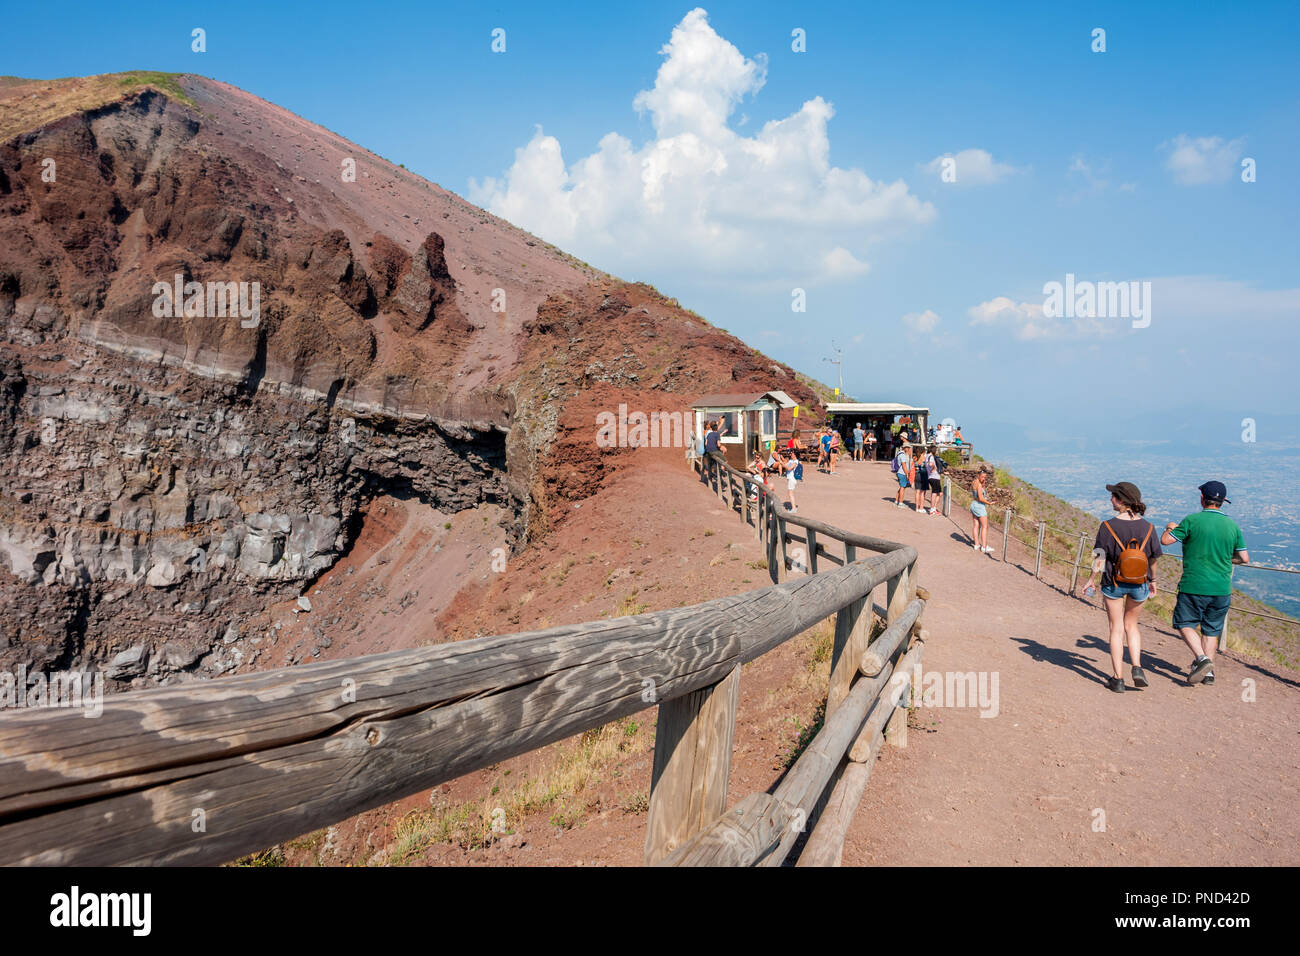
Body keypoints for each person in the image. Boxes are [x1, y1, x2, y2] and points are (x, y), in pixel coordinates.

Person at [1160, 481, 1249, 687]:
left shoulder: (1191, 521)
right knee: (1211, 630)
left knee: (1184, 624)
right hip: (1221, 589)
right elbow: (1244, 558)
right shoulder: (1232, 526)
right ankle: (1208, 674)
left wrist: (1170, 527)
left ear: (1202, 498)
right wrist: (1227, 559)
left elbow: (1165, 541)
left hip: (1194, 585)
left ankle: (1202, 660)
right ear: (1222, 502)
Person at [1078, 482, 1162, 693]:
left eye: (1113, 496)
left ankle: (1118, 678)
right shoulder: (1149, 527)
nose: (1110, 500)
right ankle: (1137, 666)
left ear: (1121, 500)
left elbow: (1100, 557)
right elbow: (1153, 559)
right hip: (1140, 584)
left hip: (1113, 583)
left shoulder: (1107, 526)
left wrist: (1091, 580)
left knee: (1116, 628)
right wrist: (1153, 580)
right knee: (1131, 626)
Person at [969, 467, 991, 551]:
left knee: (976, 525)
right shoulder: (978, 485)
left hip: (974, 504)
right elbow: (981, 498)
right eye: (982, 477)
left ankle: (976, 544)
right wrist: (989, 503)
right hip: (980, 506)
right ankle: (984, 546)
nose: (984, 479)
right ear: (978, 475)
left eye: (985, 477)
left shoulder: (975, 482)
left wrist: (983, 483)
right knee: (985, 526)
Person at [780, 448, 802, 513]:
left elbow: (789, 468)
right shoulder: (791, 460)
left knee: (790, 493)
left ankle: (794, 508)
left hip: (792, 479)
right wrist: (781, 462)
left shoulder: (796, 461)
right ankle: (793, 508)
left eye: (792, 453)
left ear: (795, 454)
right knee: (790, 493)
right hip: (790, 478)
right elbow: (786, 466)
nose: (790, 454)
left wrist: (783, 464)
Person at [923, 446, 943, 515]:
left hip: (933, 477)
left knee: (940, 493)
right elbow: (931, 464)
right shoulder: (930, 456)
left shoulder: (927, 456)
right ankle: (932, 509)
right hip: (934, 477)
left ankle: (934, 508)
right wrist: (933, 467)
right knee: (934, 493)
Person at [892, 442, 913, 509]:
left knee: (902, 487)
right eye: (908, 447)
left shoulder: (901, 454)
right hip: (902, 473)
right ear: (905, 448)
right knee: (902, 488)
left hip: (900, 472)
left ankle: (896, 501)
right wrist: (907, 474)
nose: (909, 449)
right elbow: (904, 465)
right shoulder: (902, 455)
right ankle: (900, 503)